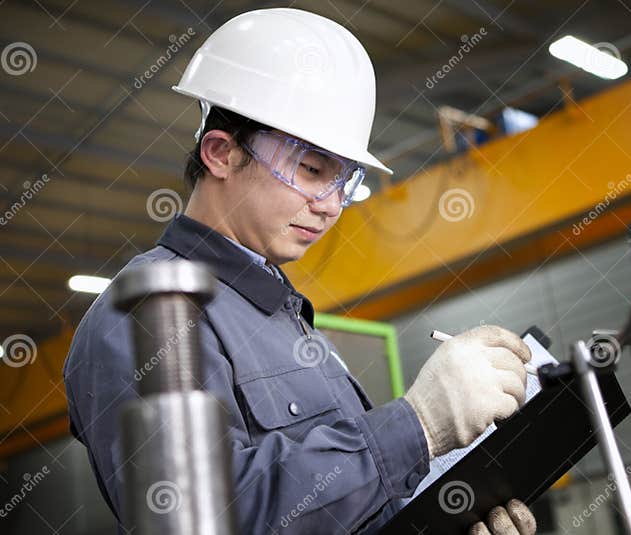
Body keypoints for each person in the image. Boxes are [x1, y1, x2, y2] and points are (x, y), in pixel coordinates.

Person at [63, 8, 535, 534]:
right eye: (312, 169)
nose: (331, 206)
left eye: (345, 181)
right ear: (220, 153)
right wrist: (416, 427)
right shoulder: (147, 314)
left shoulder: (279, 316)